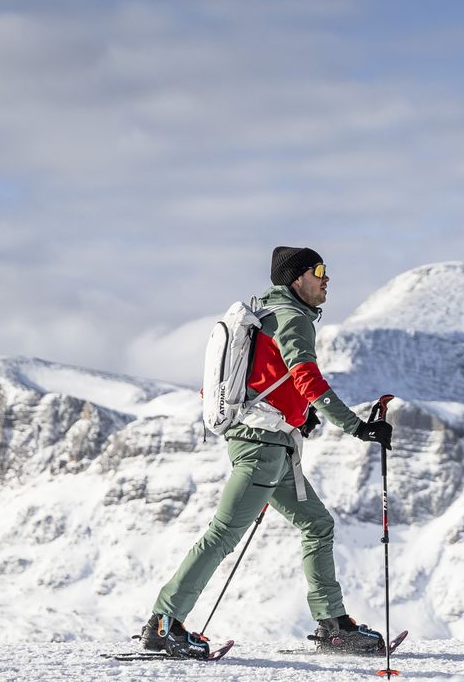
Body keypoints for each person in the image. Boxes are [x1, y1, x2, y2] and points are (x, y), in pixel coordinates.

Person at [142, 246, 394, 657]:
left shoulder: (267, 314)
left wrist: (300, 415)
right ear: (297, 278)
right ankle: (163, 624)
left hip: (272, 446)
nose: (326, 278)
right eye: (318, 270)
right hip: (262, 449)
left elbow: (271, 379)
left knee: (317, 524)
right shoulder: (292, 318)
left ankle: (333, 625)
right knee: (223, 534)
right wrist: (358, 427)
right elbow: (306, 376)